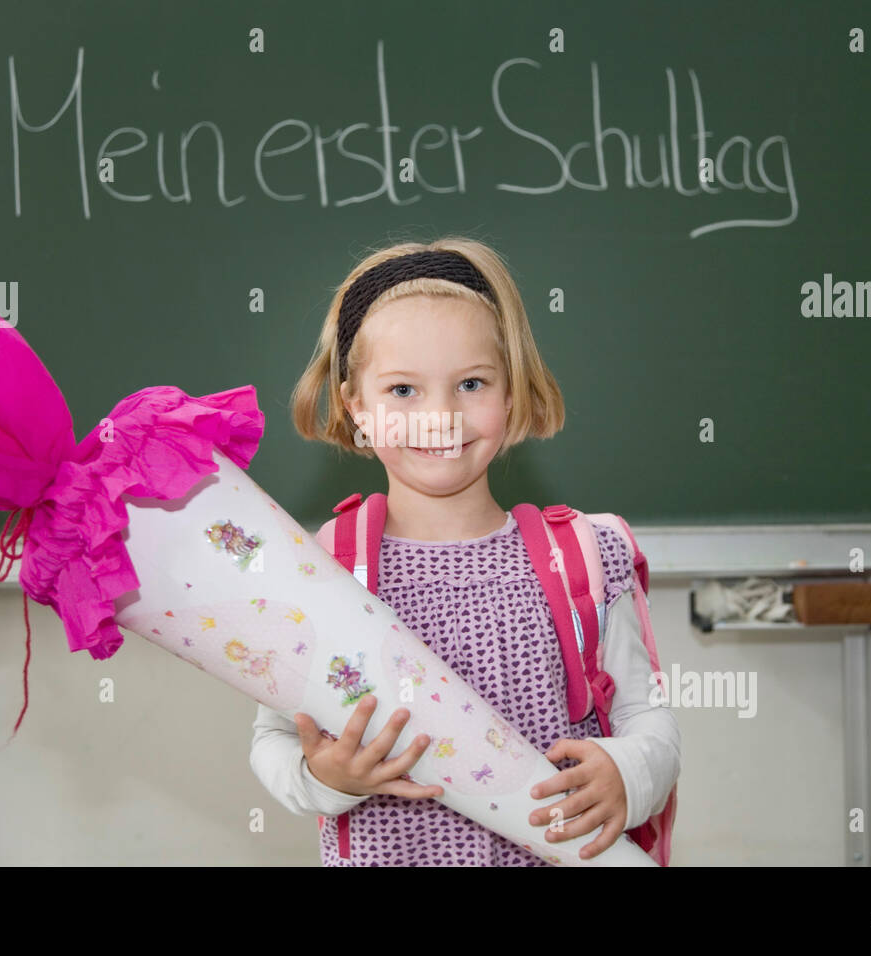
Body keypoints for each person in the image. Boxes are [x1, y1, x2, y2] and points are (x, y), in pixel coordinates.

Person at [249, 238, 679, 866]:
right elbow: (274, 741)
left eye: (471, 383)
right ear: (355, 407)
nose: (440, 415)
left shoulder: (580, 556)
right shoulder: (322, 569)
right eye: (403, 390)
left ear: (512, 393)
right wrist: (326, 777)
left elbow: (651, 721)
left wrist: (627, 775)